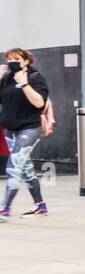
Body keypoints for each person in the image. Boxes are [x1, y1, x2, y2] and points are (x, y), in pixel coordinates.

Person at [1, 48, 51, 218]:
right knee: (26, 169)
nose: (12, 62)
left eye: (16, 59)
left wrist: (24, 83)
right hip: (10, 129)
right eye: (9, 59)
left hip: (30, 128)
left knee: (13, 167)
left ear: (26, 61)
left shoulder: (35, 77)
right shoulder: (6, 78)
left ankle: (4, 209)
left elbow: (39, 103)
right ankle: (40, 205)